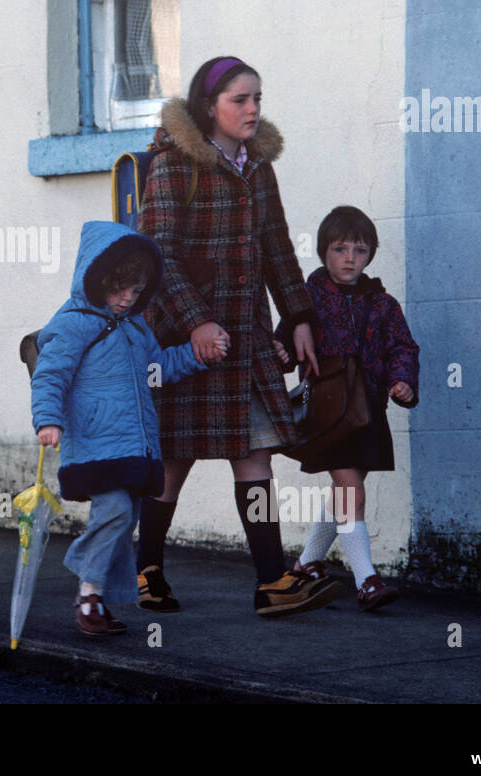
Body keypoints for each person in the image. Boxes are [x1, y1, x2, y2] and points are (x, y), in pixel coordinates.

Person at [136, 55, 340, 618]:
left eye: (257, 99)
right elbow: (156, 255)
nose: (252, 110)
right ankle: (147, 569)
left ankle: (272, 582)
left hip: (245, 341)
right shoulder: (174, 165)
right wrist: (196, 322)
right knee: (173, 460)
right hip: (184, 343)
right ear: (209, 108)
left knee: (255, 454)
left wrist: (298, 317)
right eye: (239, 101)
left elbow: (277, 248)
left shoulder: (258, 168)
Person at [32, 220, 213, 638]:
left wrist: (197, 355)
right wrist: (48, 420)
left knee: (125, 517)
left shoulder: (135, 328)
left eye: (135, 291)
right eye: (120, 290)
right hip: (94, 442)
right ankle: (88, 593)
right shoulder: (73, 323)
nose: (127, 299)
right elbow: (50, 375)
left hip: (133, 445)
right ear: (98, 281)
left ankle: (97, 597)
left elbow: (156, 371)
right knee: (114, 512)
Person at [276, 206, 420, 611]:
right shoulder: (306, 299)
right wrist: (279, 350)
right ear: (324, 251)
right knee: (351, 492)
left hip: (368, 412)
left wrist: (403, 381)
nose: (349, 258)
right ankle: (367, 581)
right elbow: (284, 348)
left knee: (346, 492)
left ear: (370, 254)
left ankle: (306, 564)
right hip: (327, 414)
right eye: (340, 249)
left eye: (359, 249)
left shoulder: (384, 304)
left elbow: (403, 348)